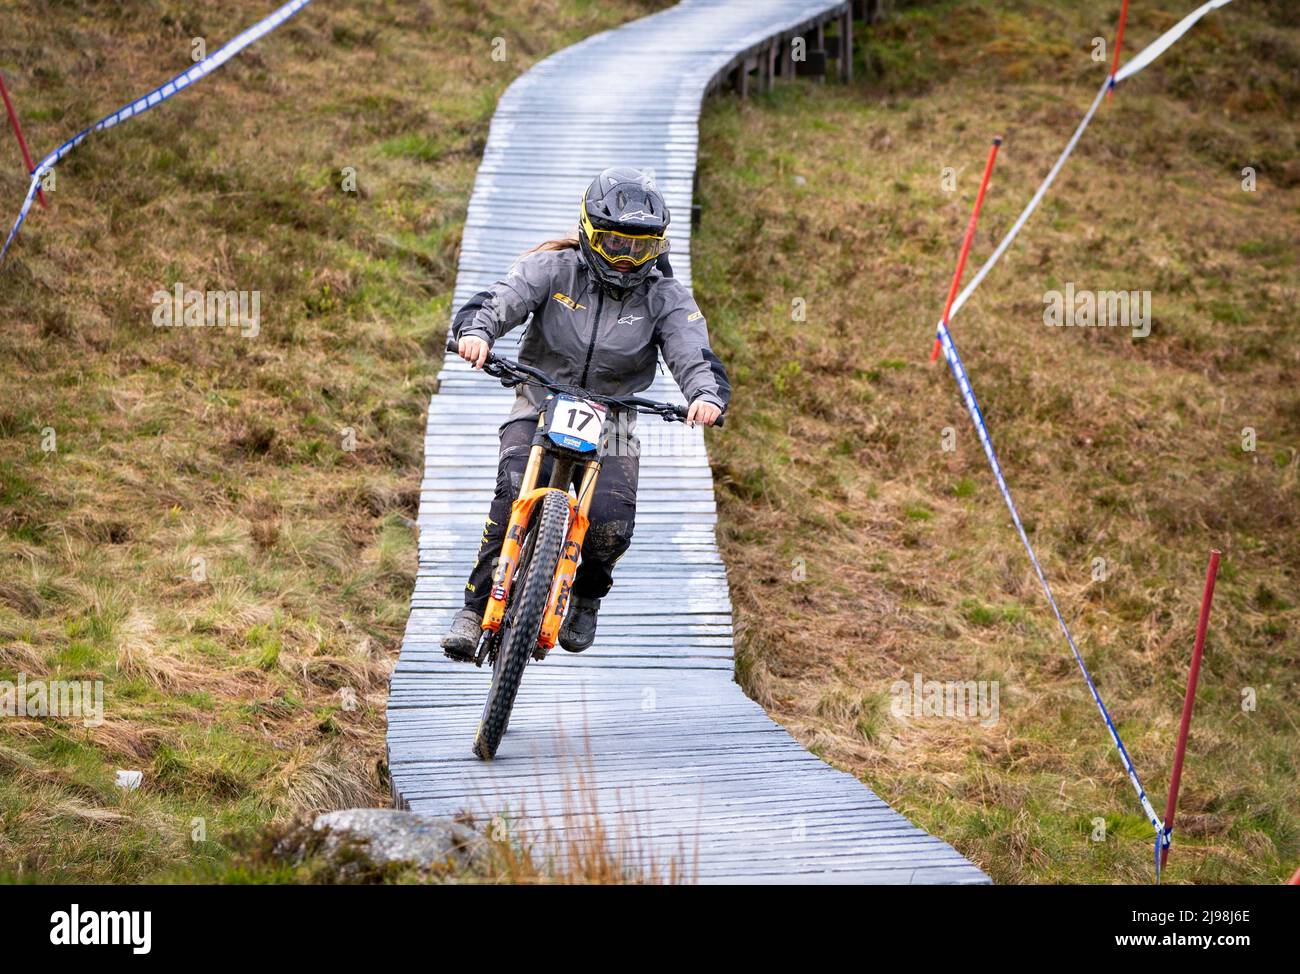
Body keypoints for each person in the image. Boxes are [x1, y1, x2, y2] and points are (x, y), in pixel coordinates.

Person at [440, 167, 730, 660]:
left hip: (613, 422)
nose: (623, 258)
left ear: (657, 247)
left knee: (611, 521)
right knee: (513, 488)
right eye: (614, 242)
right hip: (538, 403)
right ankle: (472, 608)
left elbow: (693, 351)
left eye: (638, 247)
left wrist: (705, 395)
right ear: (588, 232)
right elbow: (499, 300)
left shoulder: (667, 297)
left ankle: (587, 597)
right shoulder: (553, 269)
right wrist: (478, 334)